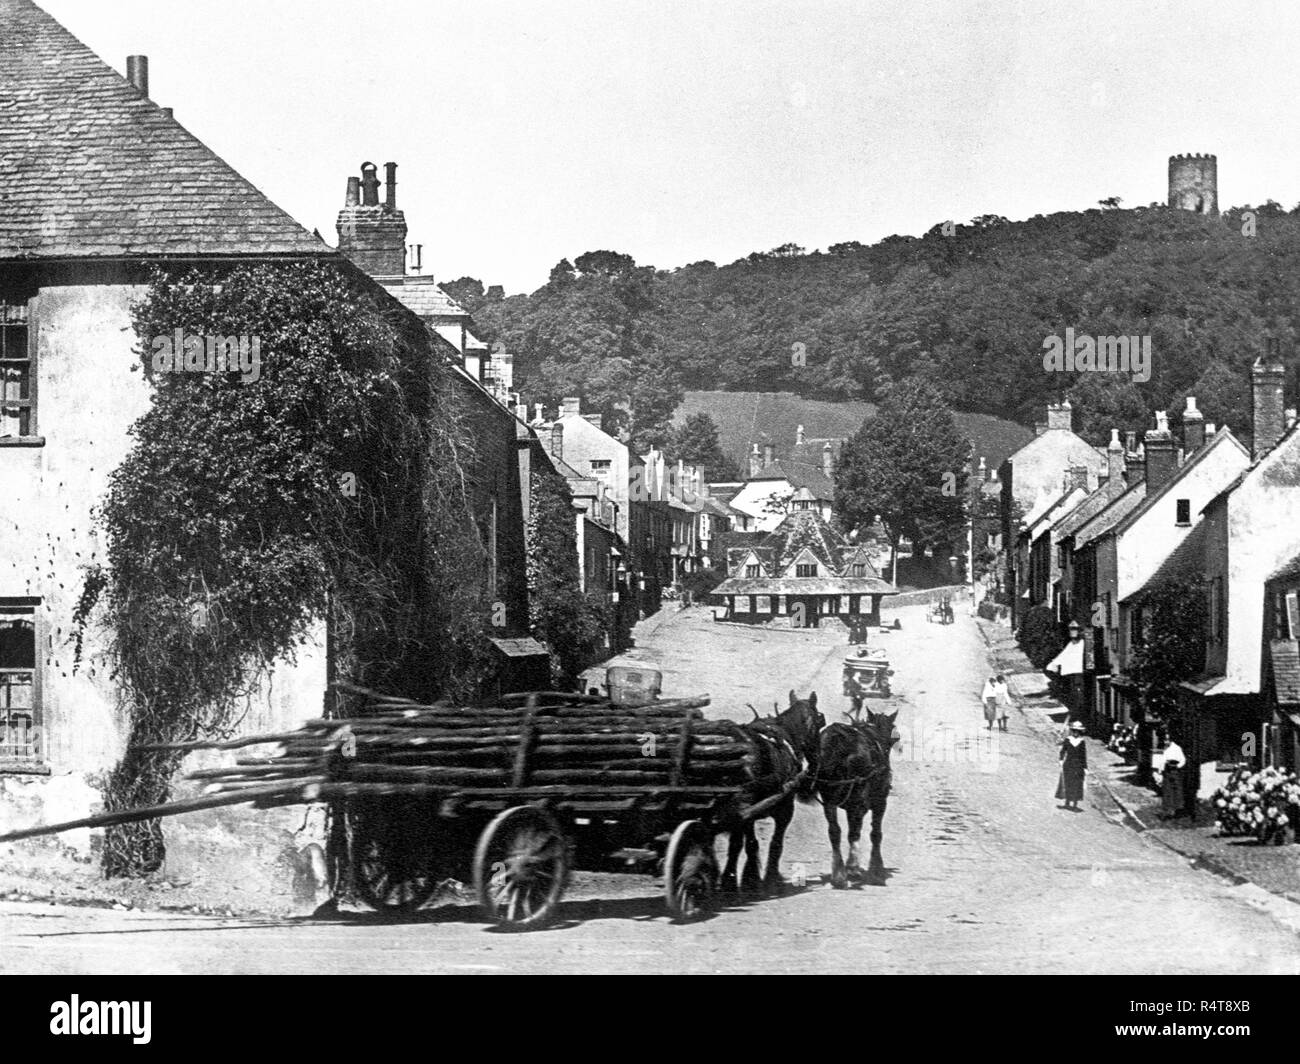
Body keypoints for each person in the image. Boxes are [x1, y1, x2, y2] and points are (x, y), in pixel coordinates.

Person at [1056, 720, 1087, 810]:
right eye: (1074, 731)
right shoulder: (1068, 740)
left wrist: (1085, 767)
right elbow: (1063, 751)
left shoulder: (1082, 742)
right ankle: (1067, 802)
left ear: (1080, 732)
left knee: (1077, 784)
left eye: (1077, 731)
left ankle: (1075, 804)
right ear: (1072, 731)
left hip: (1078, 765)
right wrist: (1061, 759)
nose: (1075, 733)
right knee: (1068, 782)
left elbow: (1083, 755)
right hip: (1068, 764)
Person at [1160, 733, 1187, 819]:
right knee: (1167, 791)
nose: (1165, 742)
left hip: (1175, 771)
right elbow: (1163, 761)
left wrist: (1177, 766)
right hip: (1167, 771)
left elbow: (1183, 760)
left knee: (1176, 790)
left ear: (1171, 740)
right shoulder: (1166, 749)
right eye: (1165, 740)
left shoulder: (1177, 748)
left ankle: (1177, 811)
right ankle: (1168, 811)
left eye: (1167, 740)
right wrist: (1160, 770)